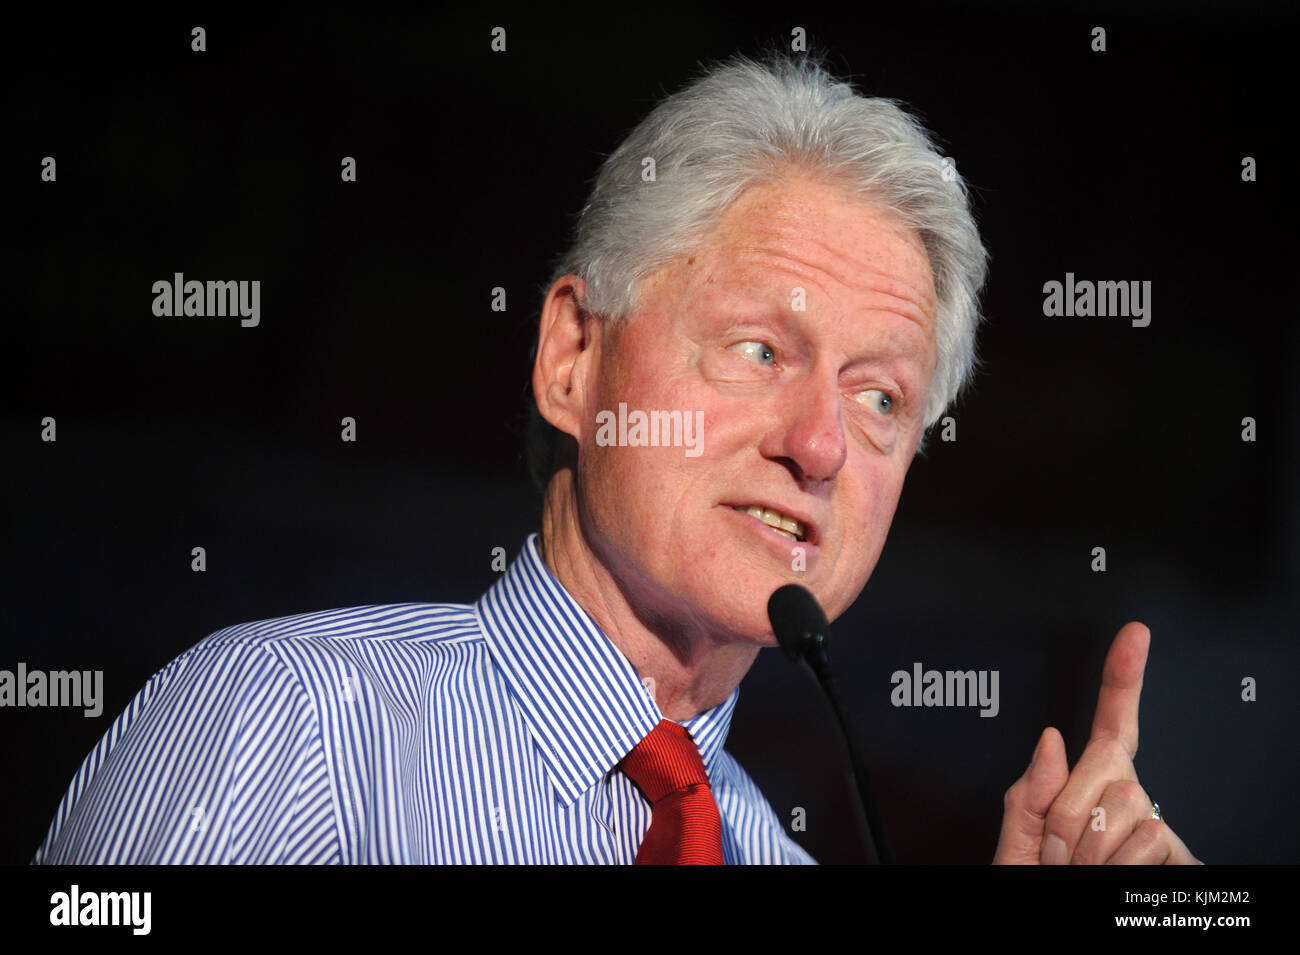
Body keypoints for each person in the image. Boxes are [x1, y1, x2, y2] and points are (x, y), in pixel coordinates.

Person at [33, 51, 1198, 865]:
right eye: (757, 348)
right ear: (573, 360)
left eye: (879, 395)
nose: (819, 444)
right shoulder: (286, 725)